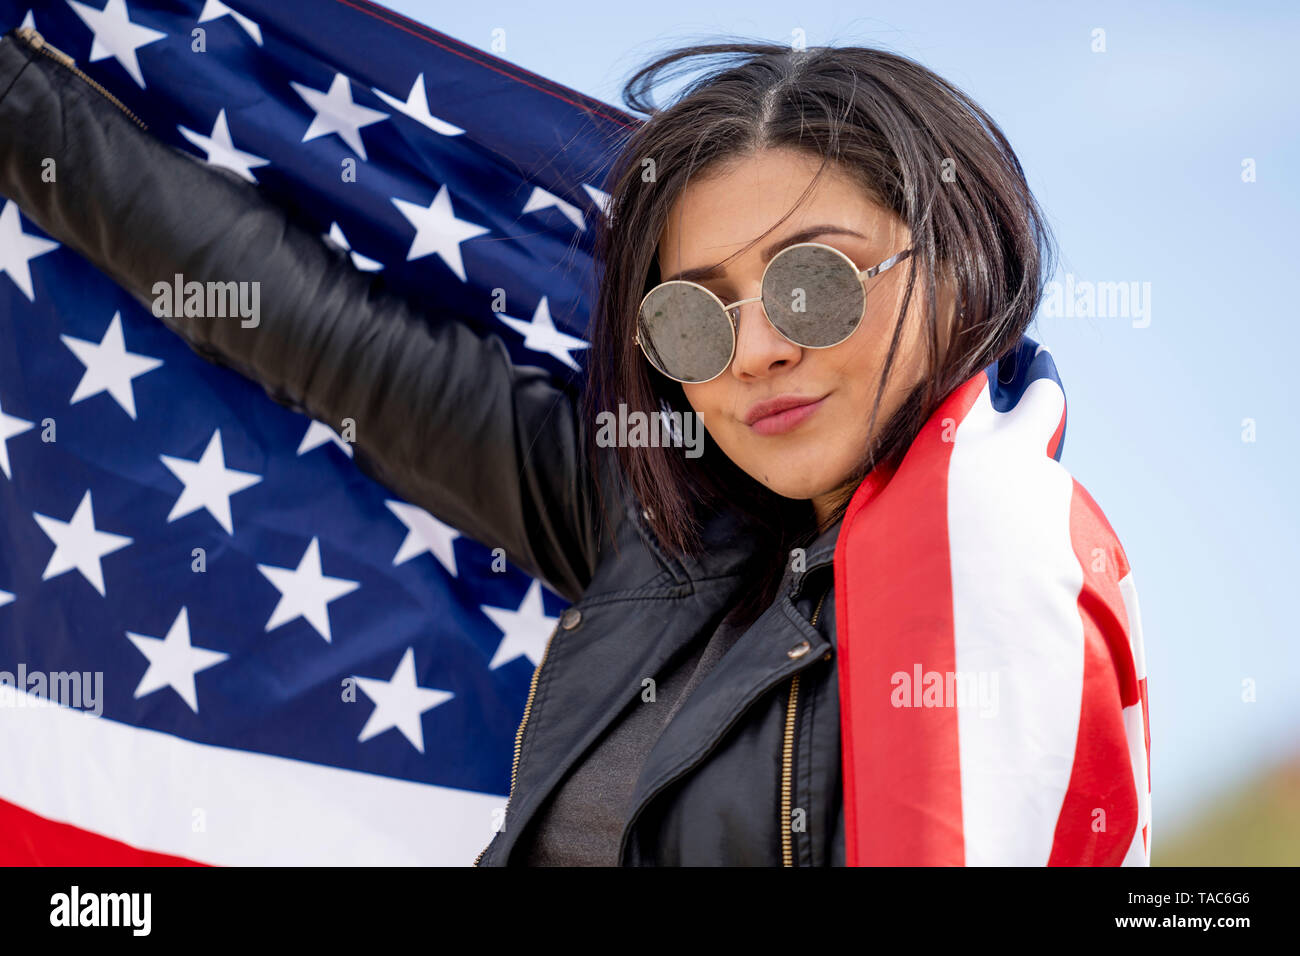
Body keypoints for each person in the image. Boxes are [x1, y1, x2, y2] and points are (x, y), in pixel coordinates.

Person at [0, 28, 1150, 866]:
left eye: (812, 280)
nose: (751, 351)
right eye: (694, 316)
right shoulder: (659, 536)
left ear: (959, 261)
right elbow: (322, 335)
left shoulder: (1004, 562)